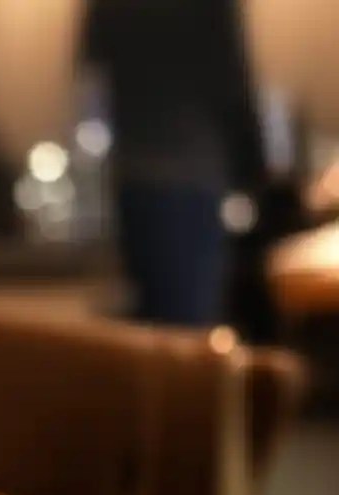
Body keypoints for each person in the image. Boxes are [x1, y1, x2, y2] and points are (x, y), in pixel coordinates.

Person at [83, 0, 266, 327]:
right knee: (188, 333)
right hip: (191, 178)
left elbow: (91, 77)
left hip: (133, 179)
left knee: (153, 334)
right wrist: (257, 174)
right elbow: (232, 84)